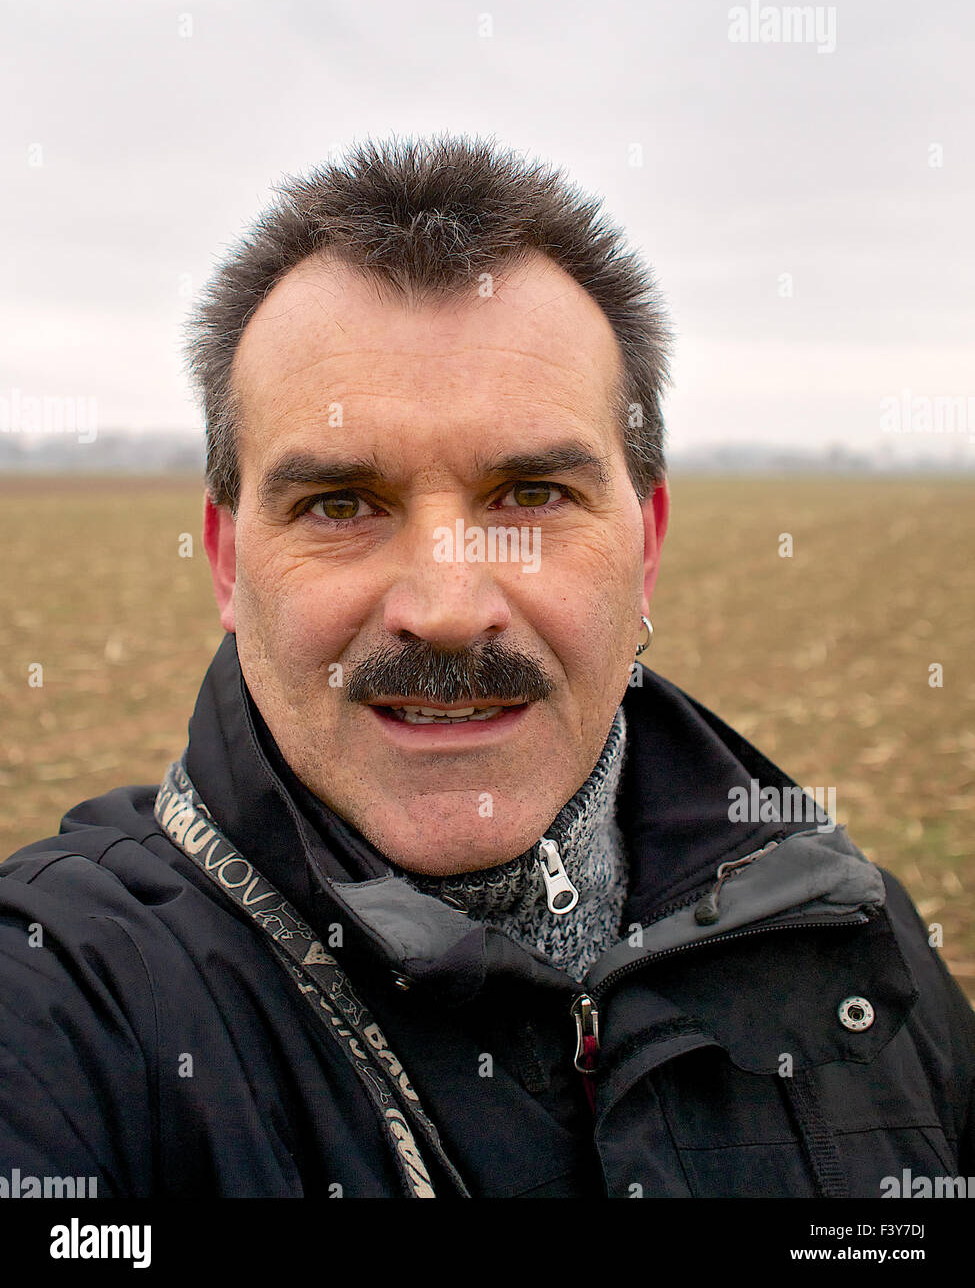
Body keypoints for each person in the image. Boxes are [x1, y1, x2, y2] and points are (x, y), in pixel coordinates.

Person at [1, 133, 972, 1199]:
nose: (449, 609)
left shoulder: (848, 949)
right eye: (340, 506)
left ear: (644, 544)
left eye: (531, 497)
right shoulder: (64, 1004)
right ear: (228, 561)